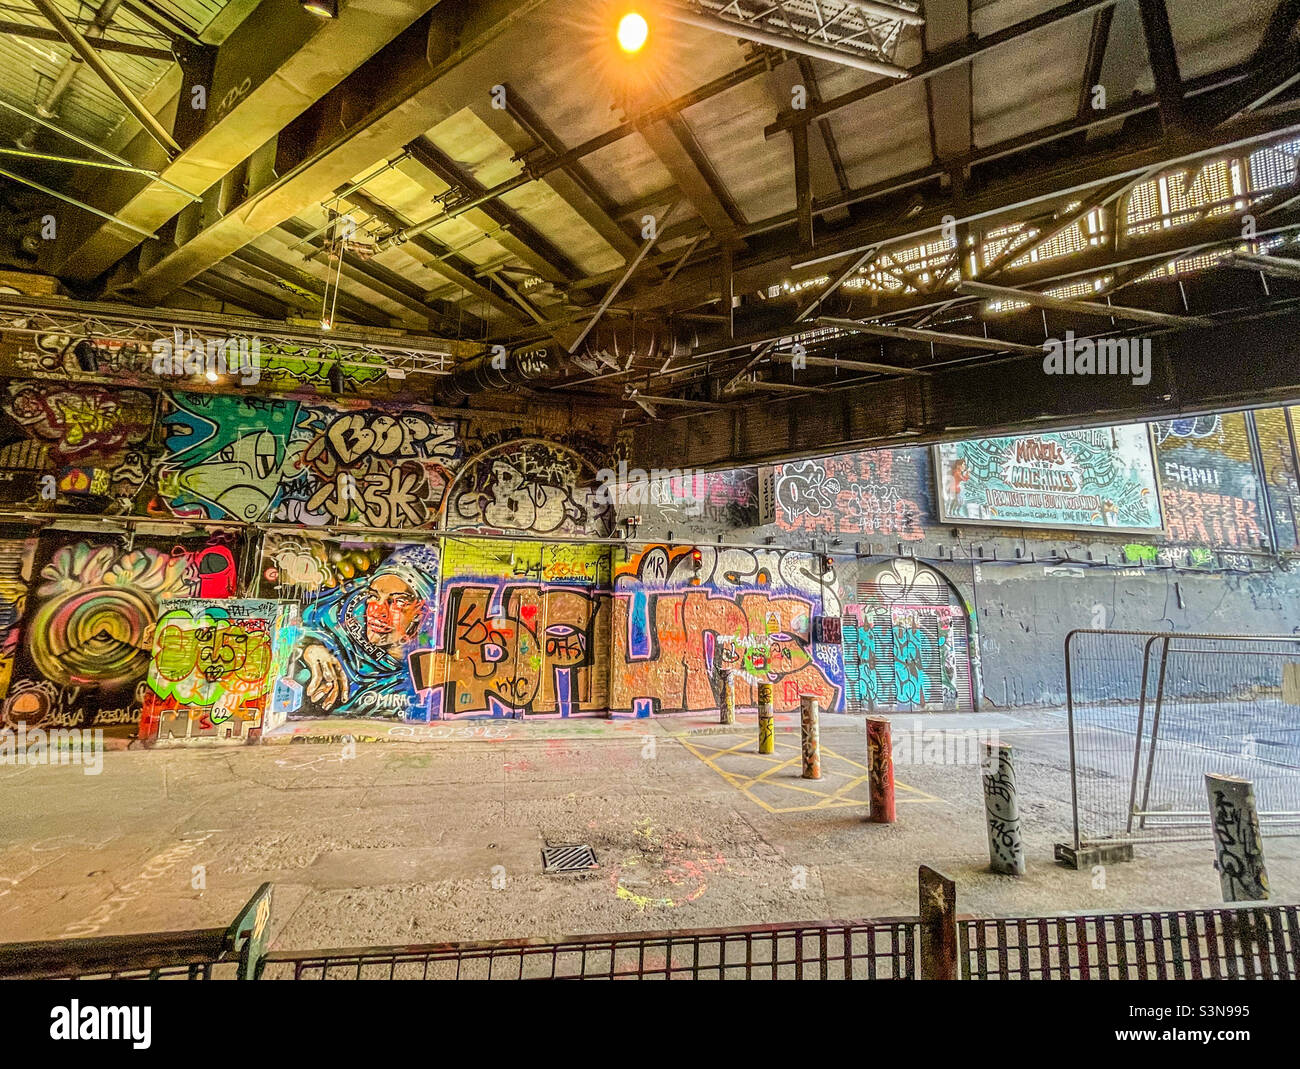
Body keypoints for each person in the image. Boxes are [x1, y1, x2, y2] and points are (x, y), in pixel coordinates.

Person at [296, 545, 439, 718]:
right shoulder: (339, 603)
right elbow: (293, 620)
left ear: (421, 612)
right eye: (373, 596)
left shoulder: (415, 676)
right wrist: (311, 646)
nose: (377, 611)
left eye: (398, 602)